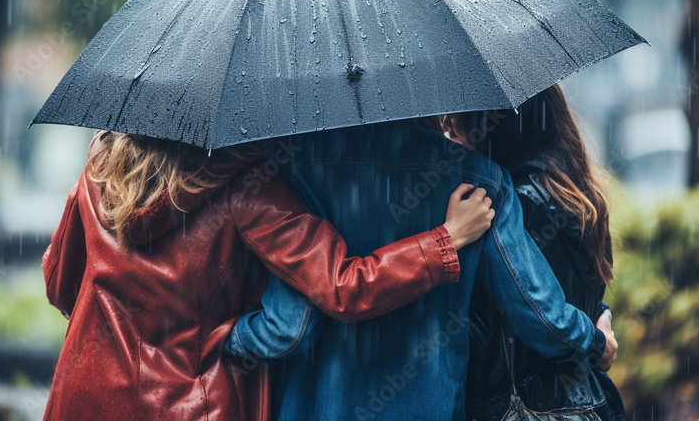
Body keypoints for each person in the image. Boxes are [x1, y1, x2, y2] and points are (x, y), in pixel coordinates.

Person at [41, 130, 495, 420]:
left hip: (82, 398)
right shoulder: (247, 186)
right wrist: (445, 241)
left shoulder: (100, 166)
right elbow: (342, 288)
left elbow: (59, 284)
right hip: (193, 406)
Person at [223, 115, 617, 420]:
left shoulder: (291, 172)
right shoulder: (481, 181)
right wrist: (593, 341)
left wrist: (221, 339)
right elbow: (538, 312)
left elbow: (291, 330)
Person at [466, 85, 626, 421]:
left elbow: (531, 311)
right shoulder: (584, 196)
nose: (455, 128)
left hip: (529, 405)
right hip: (588, 400)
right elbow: (587, 293)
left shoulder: (513, 204)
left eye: (466, 120)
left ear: (496, 125)